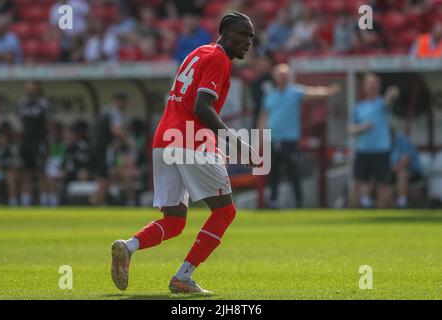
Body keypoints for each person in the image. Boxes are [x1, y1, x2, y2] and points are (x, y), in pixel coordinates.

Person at [111, 12, 261, 294]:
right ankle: (183, 277)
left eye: (252, 37)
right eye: (244, 34)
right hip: (190, 140)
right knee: (225, 212)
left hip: (164, 140)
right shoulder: (218, 58)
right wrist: (237, 143)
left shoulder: (196, 53)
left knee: (175, 221)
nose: (249, 41)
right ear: (226, 32)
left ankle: (128, 246)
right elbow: (202, 107)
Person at [258, 63, 339, 209]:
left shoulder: (295, 92)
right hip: (273, 139)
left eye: (284, 74)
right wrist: (260, 138)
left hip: (290, 139)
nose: (282, 77)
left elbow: (313, 93)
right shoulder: (270, 96)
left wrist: (328, 92)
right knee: (274, 173)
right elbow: (263, 118)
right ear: (275, 77)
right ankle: (273, 201)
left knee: (293, 171)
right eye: (279, 74)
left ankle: (298, 201)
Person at [348, 73, 400, 209]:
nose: (371, 86)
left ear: (378, 86)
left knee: (383, 184)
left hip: (381, 150)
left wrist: (392, 94)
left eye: (374, 84)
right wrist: (362, 127)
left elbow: (390, 100)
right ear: (364, 87)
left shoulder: (382, 104)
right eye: (369, 84)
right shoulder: (359, 107)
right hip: (363, 150)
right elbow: (351, 129)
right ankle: (353, 213)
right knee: (357, 183)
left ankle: (385, 217)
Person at [91, 92, 127, 206]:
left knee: (104, 175)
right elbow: (116, 131)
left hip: (97, 147)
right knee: (104, 176)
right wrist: (127, 141)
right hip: (106, 148)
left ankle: (98, 200)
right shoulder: (114, 113)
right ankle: (97, 202)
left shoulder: (104, 111)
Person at [18, 81, 50, 206]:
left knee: (41, 172)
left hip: (39, 142)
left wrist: (47, 142)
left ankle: (45, 201)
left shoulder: (43, 104)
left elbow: (47, 123)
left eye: (32, 88)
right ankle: (25, 202)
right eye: (28, 88)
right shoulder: (22, 103)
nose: (30, 90)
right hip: (26, 142)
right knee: (26, 173)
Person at [390, 129, 423, 208]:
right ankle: (367, 202)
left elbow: (405, 161)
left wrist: (391, 169)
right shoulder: (383, 144)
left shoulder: (403, 140)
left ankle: (402, 203)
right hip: (393, 171)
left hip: (413, 170)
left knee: (402, 173)